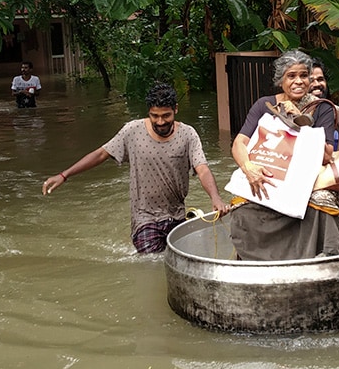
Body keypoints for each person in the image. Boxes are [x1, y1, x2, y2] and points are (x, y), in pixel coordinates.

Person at [41, 82, 228, 254]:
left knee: (176, 260)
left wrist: (216, 198)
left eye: (166, 115)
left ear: (175, 110)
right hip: (144, 217)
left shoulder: (188, 135)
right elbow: (101, 154)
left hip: (176, 215)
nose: (160, 122)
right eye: (155, 116)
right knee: (150, 263)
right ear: (148, 112)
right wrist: (64, 175)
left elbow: (202, 169)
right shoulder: (132, 131)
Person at [229, 49, 339, 261]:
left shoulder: (321, 108)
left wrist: (300, 120)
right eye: (291, 76)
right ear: (280, 80)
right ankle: (253, 260)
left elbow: (326, 156)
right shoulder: (264, 105)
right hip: (272, 170)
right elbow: (239, 143)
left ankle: (323, 259)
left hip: (307, 176)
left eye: (304, 75)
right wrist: (248, 167)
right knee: (242, 202)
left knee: (322, 201)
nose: (298, 81)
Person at [309, 60, 339, 171]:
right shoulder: (291, 113)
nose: (317, 84)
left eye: (320, 79)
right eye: (311, 80)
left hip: (329, 177)